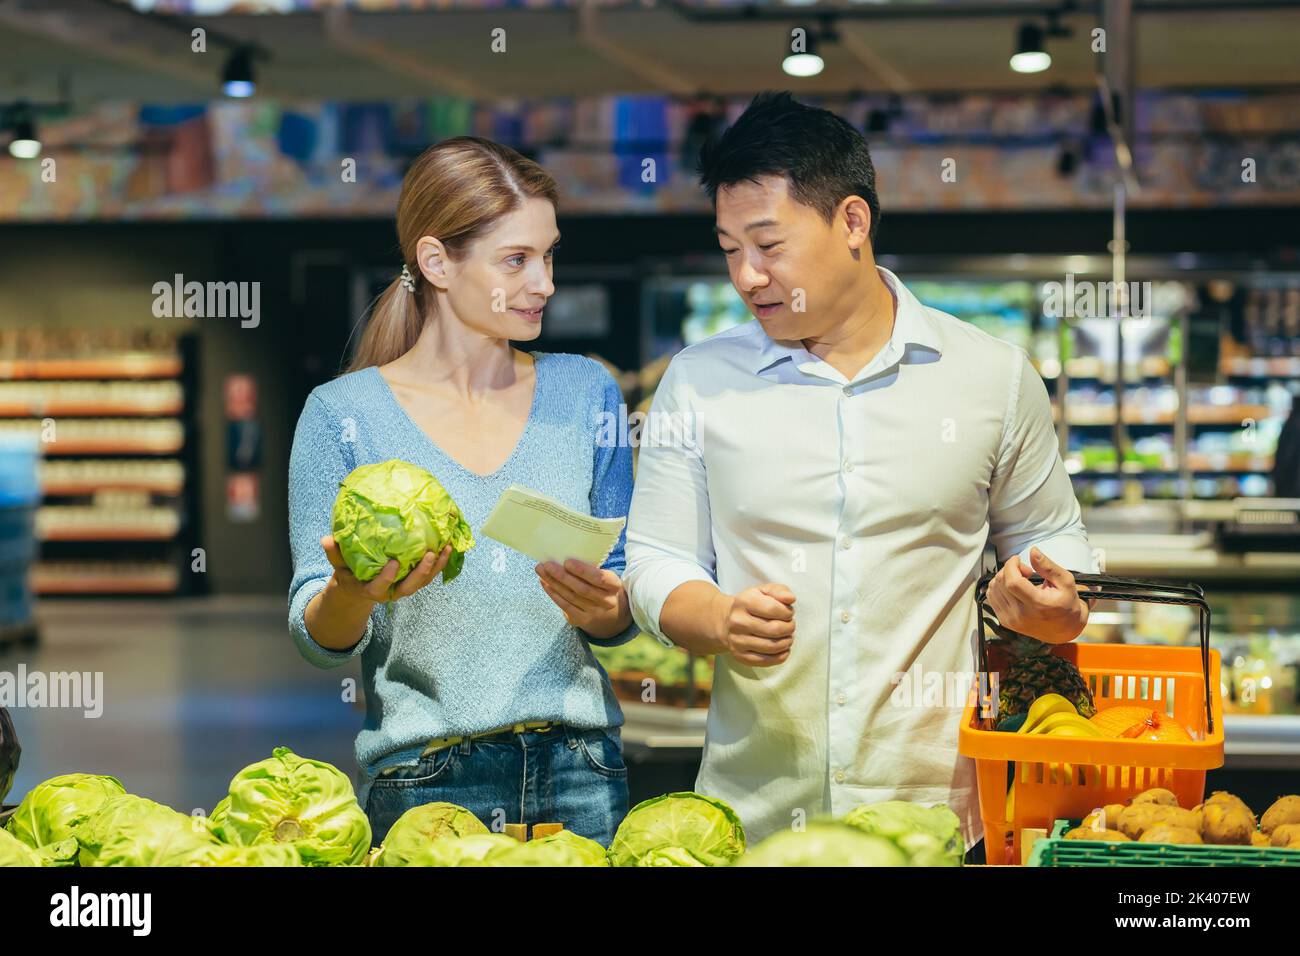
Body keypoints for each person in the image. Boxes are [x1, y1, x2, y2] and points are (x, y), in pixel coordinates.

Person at [623, 92, 1097, 849]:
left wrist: (1055, 604)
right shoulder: (698, 380)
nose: (746, 277)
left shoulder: (990, 377)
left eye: (768, 246)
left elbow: (1053, 538)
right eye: (728, 248)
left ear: (852, 221)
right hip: (752, 822)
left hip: (938, 821)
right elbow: (655, 557)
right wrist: (715, 618)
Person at [287, 137, 637, 846]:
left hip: (583, 767)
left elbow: (623, 599)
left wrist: (608, 606)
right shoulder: (341, 413)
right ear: (437, 262)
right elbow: (315, 636)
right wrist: (353, 592)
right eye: (517, 260)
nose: (545, 283)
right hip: (427, 785)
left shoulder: (586, 391)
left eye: (549, 255)